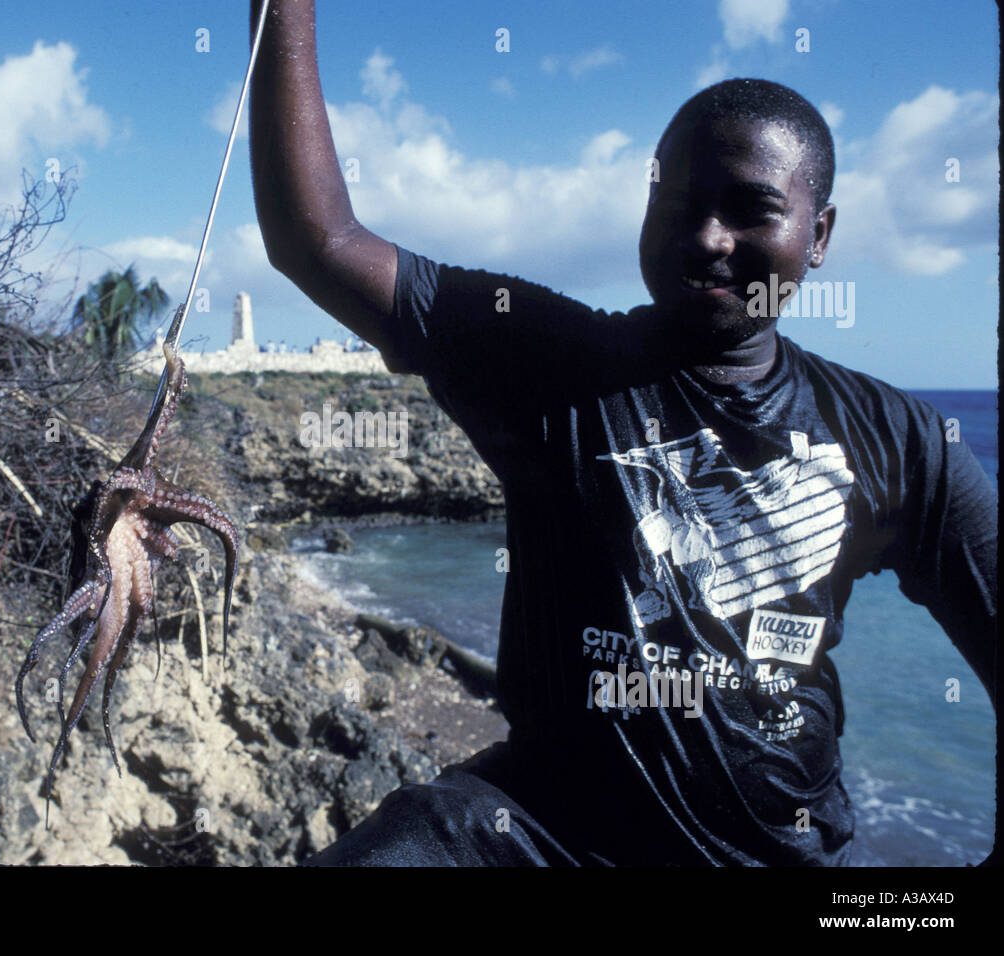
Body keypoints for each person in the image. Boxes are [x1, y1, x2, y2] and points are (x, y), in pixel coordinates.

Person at [248, 0, 997, 865]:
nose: (709, 237)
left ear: (818, 236)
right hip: (536, 833)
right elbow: (321, 239)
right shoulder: (552, 361)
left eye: (751, 209)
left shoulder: (900, 438)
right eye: (680, 203)